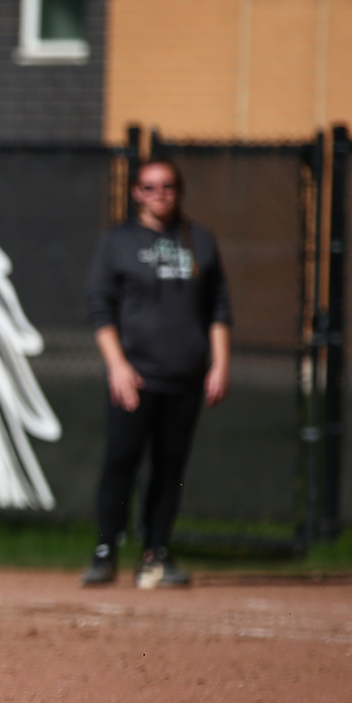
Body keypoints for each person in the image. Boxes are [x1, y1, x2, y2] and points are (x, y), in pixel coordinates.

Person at [81, 159, 232, 589]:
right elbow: (99, 307)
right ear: (136, 193)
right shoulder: (119, 242)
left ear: (179, 191)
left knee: (169, 469)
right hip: (136, 377)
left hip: (185, 376)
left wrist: (220, 363)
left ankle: (156, 555)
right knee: (121, 464)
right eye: (149, 187)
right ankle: (105, 552)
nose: (159, 194)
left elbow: (219, 308)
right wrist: (118, 365)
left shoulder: (199, 241)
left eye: (167, 186)